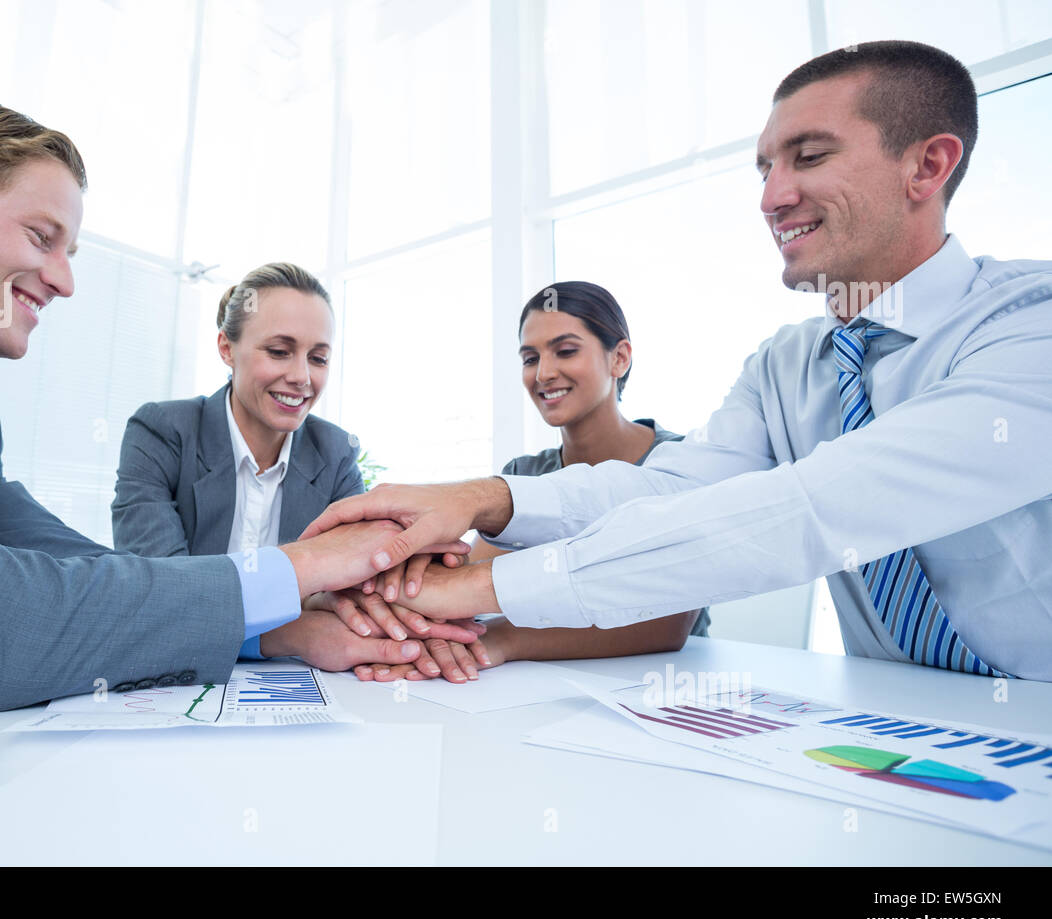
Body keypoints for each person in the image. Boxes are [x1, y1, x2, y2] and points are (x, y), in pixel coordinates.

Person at [303, 40, 1052, 682]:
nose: (772, 197)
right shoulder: (783, 365)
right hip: (891, 724)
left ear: (928, 167)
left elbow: (814, 509)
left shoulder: (1030, 324)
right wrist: (480, 499)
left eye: (809, 156)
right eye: (763, 169)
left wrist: (478, 589)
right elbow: (670, 489)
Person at [0, 92, 462, 712]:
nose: (63, 283)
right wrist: (303, 568)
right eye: (42, 238)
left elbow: (79, 574)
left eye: (72, 253)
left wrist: (276, 631)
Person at [111, 263, 482, 664]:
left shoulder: (335, 452)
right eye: (279, 352)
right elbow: (160, 597)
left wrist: (424, 600)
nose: (302, 377)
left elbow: (356, 590)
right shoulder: (164, 431)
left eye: (318, 358)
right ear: (226, 348)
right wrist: (289, 632)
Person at [354, 281, 706, 684]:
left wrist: (505, 641)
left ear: (619, 358)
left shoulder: (680, 463)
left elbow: (668, 619)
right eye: (529, 357)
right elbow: (465, 578)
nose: (544, 373)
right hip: (545, 687)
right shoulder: (522, 474)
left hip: (667, 682)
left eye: (566, 350)